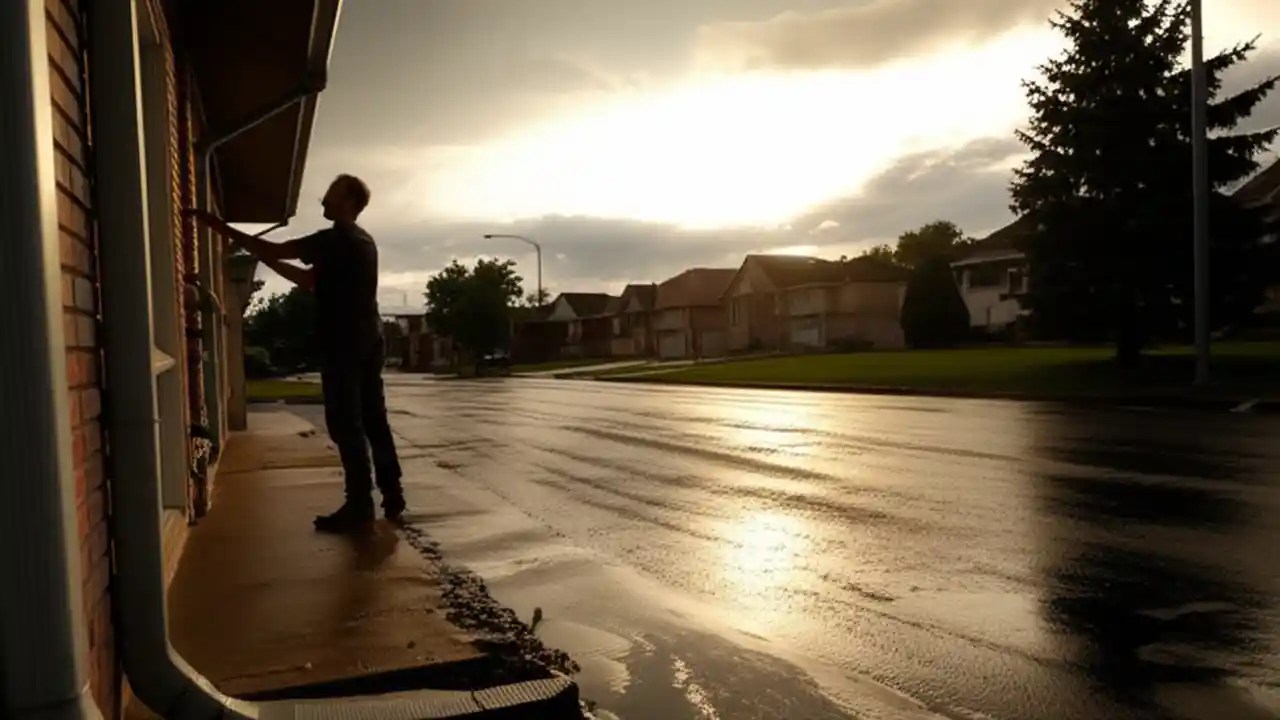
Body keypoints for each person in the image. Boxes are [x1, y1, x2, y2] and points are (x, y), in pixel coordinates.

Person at [187, 174, 405, 533]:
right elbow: (307, 280)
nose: (323, 201)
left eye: (331, 196)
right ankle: (392, 495)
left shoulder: (339, 237)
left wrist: (217, 226)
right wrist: (265, 257)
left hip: (345, 341)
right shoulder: (362, 242)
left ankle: (359, 505)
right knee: (373, 419)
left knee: (346, 422)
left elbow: (277, 251)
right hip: (368, 339)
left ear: (350, 201)